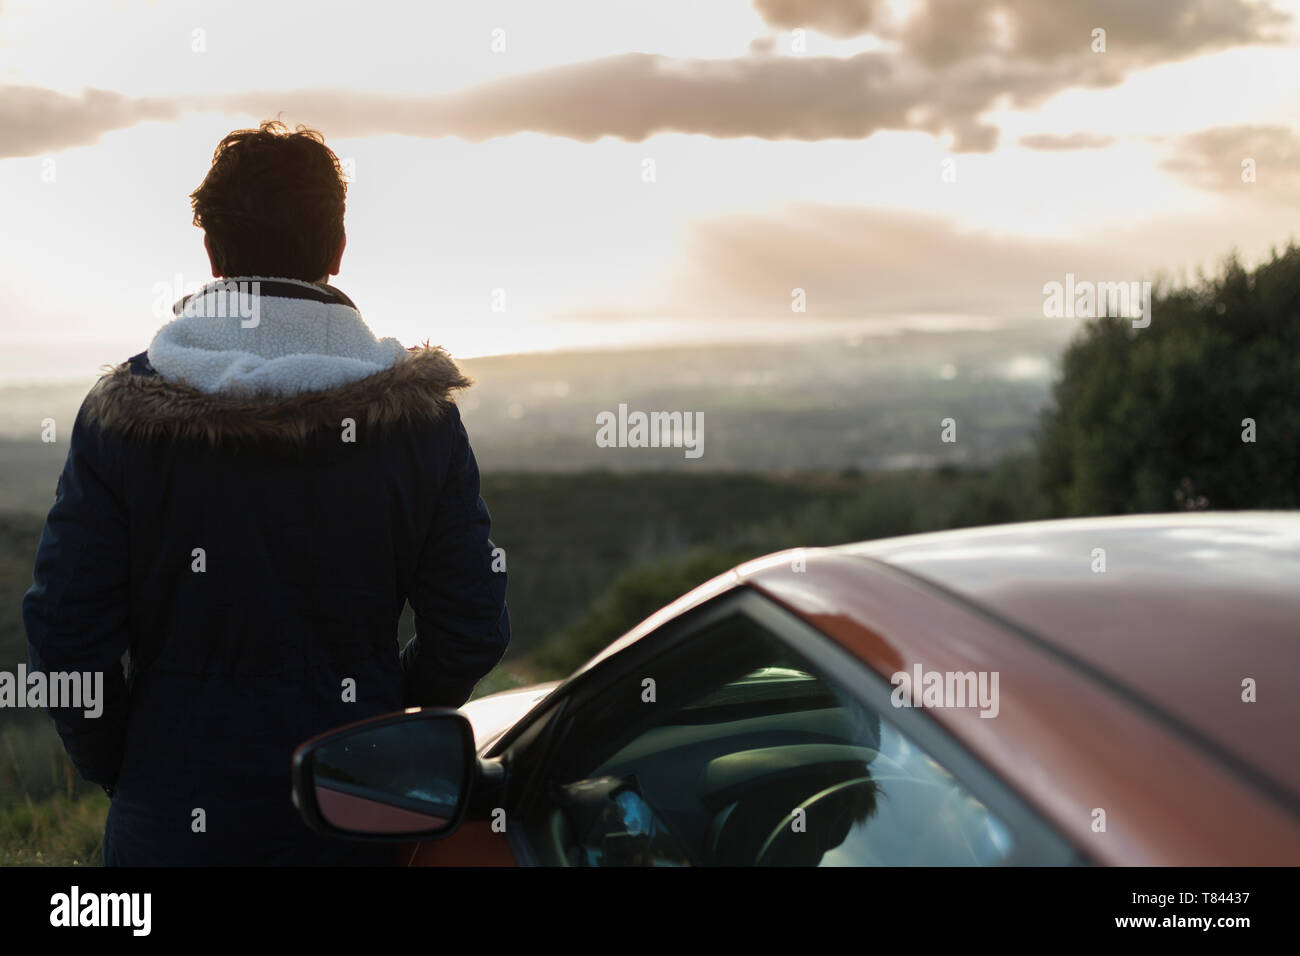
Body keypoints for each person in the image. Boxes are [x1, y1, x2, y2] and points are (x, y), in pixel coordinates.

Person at [21, 120, 509, 866]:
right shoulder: (419, 420)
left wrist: (126, 765)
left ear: (213, 253)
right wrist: (380, 724)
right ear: (337, 247)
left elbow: (65, 633)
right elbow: (472, 626)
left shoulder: (122, 417)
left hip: (170, 810)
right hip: (358, 812)